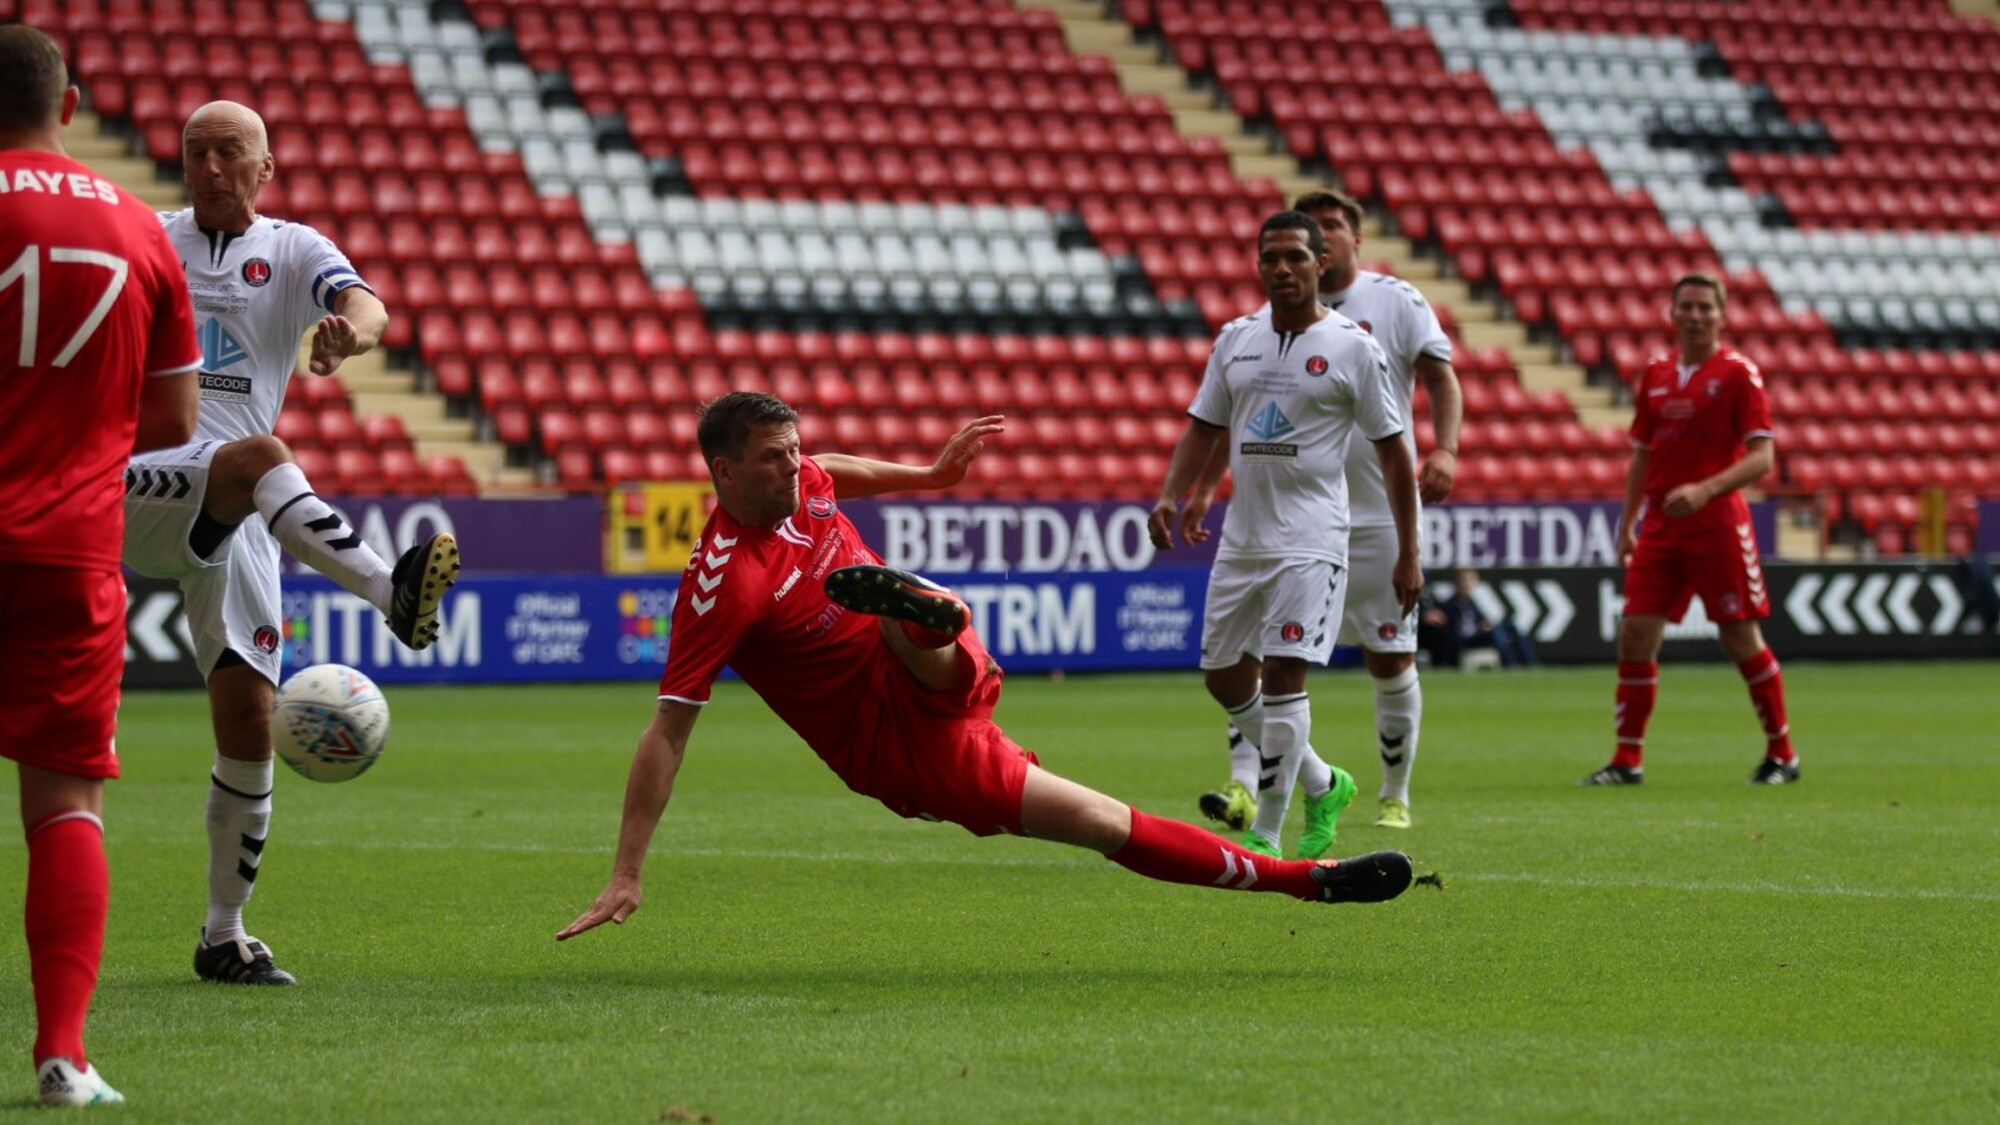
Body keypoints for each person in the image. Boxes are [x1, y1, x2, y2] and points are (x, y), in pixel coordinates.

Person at [558, 392, 1416, 942]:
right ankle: (1303, 883)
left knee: (912, 618)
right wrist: (628, 867)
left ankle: (921, 614)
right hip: (890, 744)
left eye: (794, 450)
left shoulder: (803, 481)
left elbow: (836, 472)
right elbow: (668, 730)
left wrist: (931, 476)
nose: (795, 466)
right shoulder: (723, 586)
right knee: (1104, 823)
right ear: (722, 472)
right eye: (772, 458)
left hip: (925, 672)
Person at [121, 100, 462, 986]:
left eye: (230, 151)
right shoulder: (150, 239)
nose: (210, 166)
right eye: (196, 151)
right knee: (262, 454)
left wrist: (353, 332)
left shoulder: (297, 247)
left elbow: (368, 303)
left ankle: (222, 935)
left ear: (264, 166)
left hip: (233, 508)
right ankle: (393, 594)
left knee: (247, 725)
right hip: (143, 477)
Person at [1, 25, 201, 1106]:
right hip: (73, 544)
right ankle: (63, 1059)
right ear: (69, 104)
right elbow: (173, 415)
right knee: (65, 804)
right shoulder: (136, 226)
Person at [1173, 190, 1464, 832]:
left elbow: (1441, 379)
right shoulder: (1251, 333)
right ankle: (1257, 785)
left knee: (1386, 655)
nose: (1295, 258)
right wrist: (1199, 489)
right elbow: (1233, 418)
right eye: (1274, 252)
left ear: (1343, 243)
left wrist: (1444, 447)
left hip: (1377, 517)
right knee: (1248, 662)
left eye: (1330, 229)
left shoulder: (1394, 304)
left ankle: (1394, 794)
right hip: (1280, 520)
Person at [1581, 273, 1797, 786]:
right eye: (1688, 307)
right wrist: (1628, 520)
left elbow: (1763, 457)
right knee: (1634, 633)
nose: (1696, 315)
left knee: (1738, 636)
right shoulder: (1655, 375)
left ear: (1722, 315)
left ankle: (1782, 754)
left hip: (1717, 523)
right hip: (1658, 526)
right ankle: (1627, 761)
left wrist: (1705, 489)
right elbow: (1642, 454)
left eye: (1706, 307)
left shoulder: (1740, 374)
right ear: (1673, 314)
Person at [1426, 568, 1536, 669]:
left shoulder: (1472, 604)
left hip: (1476, 635)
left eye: (1470, 581)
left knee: (1509, 626)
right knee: (1495, 632)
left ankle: (1531, 664)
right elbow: (1451, 632)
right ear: (1456, 583)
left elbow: (1479, 621)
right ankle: (1511, 665)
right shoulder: (1447, 606)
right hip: (1462, 642)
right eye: (1463, 581)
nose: (1466, 584)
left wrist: (1483, 625)